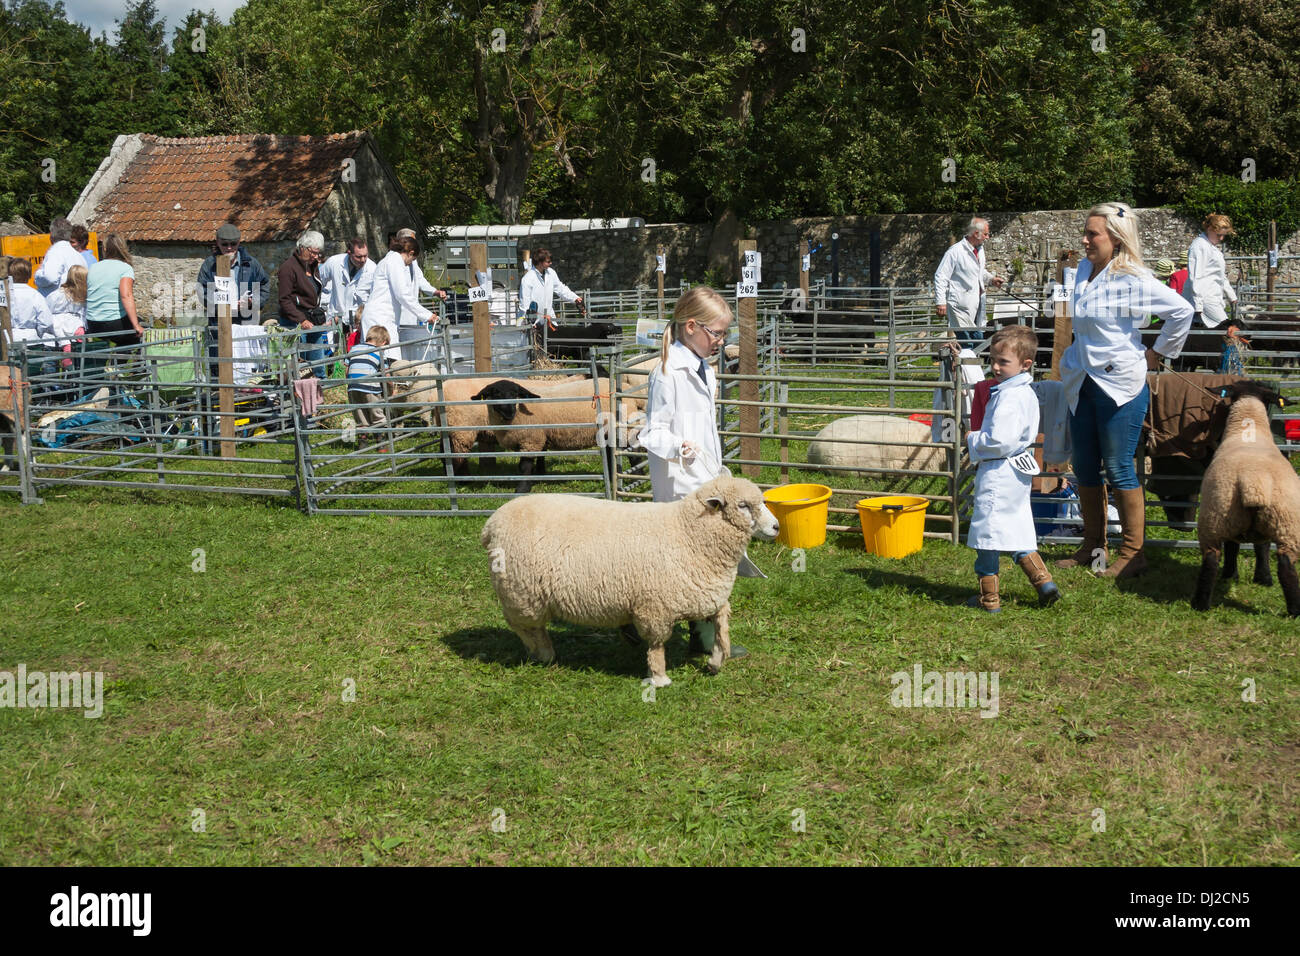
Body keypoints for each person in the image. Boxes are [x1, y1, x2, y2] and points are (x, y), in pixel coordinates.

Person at [1056, 203, 1194, 579]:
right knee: (1084, 464)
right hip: (1081, 380)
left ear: (1116, 239)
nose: (1084, 240)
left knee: (1118, 468)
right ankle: (1093, 546)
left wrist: (1157, 352)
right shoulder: (1084, 269)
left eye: (1092, 234)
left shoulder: (1133, 277)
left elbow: (1181, 311)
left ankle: (1134, 554)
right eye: (1085, 232)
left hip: (1120, 383)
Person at [636, 285, 748, 661]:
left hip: (706, 478)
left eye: (723, 334)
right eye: (715, 333)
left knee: (707, 563)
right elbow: (652, 431)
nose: (720, 341)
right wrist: (677, 448)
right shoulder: (667, 374)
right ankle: (696, 636)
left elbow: (706, 429)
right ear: (690, 327)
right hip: (681, 485)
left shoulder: (705, 370)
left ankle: (702, 634)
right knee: (690, 566)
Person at [964, 325, 1060, 612]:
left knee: (987, 533)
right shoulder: (1025, 392)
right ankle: (1044, 582)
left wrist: (974, 438)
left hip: (999, 471)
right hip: (1016, 471)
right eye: (993, 359)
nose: (995, 366)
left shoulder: (1008, 397)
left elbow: (999, 440)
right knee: (1015, 527)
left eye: (1003, 362)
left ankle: (989, 598)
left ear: (1025, 364)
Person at [362, 235, 435, 364]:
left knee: (384, 359)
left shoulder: (390, 260)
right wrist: (426, 315)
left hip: (383, 316)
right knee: (387, 360)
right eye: (412, 259)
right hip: (380, 317)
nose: (410, 264)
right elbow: (402, 294)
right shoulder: (394, 262)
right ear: (411, 253)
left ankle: (386, 384)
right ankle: (388, 384)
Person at [1179, 213, 1238, 371]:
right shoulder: (1199, 246)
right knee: (1228, 330)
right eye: (1219, 235)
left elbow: (1219, 276)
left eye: (1223, 236)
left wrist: (1231, 295)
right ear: (1210, 229)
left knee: (1227, 332)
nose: (1221, 239)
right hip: (1204, 298)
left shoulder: (1211, 247)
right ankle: (1228, 369)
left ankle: (1227, 367)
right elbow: (1195, 276)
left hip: (1212, 297)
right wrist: (1198, 304)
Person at [934, 218, 1003, 348]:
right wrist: (941, 302)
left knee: (978, 340)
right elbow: (941, 276)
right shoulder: (955, 251)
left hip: (976, 304)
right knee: (968, 343)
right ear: (976, 233)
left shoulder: (979, 251)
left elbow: (979, 272)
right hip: (959, 305)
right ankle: (967, 366)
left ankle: (972, 366)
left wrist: (991, 279)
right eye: (986, 234)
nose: (988, 237)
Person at [277, 231, 328, 377]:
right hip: (295, 322)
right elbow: (284, 299)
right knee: (302, 366)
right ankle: (300, 395)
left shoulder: (312, 266)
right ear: (302, 248)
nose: (315, 256)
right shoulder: (288, 268)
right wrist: (301, 319)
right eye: (312, 252)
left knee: (318, 363)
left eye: (318, 253)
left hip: (312, 320)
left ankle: (320, 389)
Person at [197, 224, 271, 325]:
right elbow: (203, 293)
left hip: (246, 325)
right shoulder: (209, 265)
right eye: (224, 244)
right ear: (218, 242)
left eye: (233, 244)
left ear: (239, 242)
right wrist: (224, 308)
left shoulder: (251, 264)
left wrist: (251, 302)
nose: (229, 248)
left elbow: (264, 286)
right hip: (219, 325)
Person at [85, 234, 144, 349]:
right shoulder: (125, 268)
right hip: (113, 322)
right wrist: (136, 325)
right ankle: (118, 366)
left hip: (92, 323)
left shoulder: (93, 267)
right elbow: (126, 295)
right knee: (139, 333)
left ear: (105, 249)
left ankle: (111, 364)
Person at [320, 236, 376, 336]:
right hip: (335, 318)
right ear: (349, 253)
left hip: (358, 322)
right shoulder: (334, 262)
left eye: (365, 256)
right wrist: (322, 307)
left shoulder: (372, 268)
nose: (363, 260)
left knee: (357, 350)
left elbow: (375, 298)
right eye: (358, 257)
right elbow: (318, 283)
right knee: (335, 350)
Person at [347, 324, 390, 450]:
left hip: (353, 386)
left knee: (361, 417)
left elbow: (347, 370)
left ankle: (363, 444)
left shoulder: (353, 348)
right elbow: (386, 374)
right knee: (377, 415)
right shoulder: (379, 352)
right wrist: (392, 387)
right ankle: (381, 444)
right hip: (370, 387)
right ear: (383, 342)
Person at [519, 248, 582, 327]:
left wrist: (575, 298)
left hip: (549, 319)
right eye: (548, 262)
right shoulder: (527, 279)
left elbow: (560, 289)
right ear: (540, 262)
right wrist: (528, 322)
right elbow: (524, 305)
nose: (551, 263)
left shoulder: (551, 273)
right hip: (532, 323)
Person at [4, 258, 56, 349]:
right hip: (30, 340)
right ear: (29, 275)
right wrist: (38, 333)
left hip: (7, 340)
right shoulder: (35, 295)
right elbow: (45, 322)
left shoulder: (4, 294)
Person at [46, 264, 88, 366]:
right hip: (54, 336)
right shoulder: (57, 295)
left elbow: (82, 315)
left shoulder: (82, 296)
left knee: (76, 366)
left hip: (71, 335)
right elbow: (48, 315)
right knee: (51, 367)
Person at [33, 216, 84, 298]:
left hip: (57, 307)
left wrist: (38, 277)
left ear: (51, 234)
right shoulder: (79, 256)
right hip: (77, 304)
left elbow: (50, 277)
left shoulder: (56, 252)